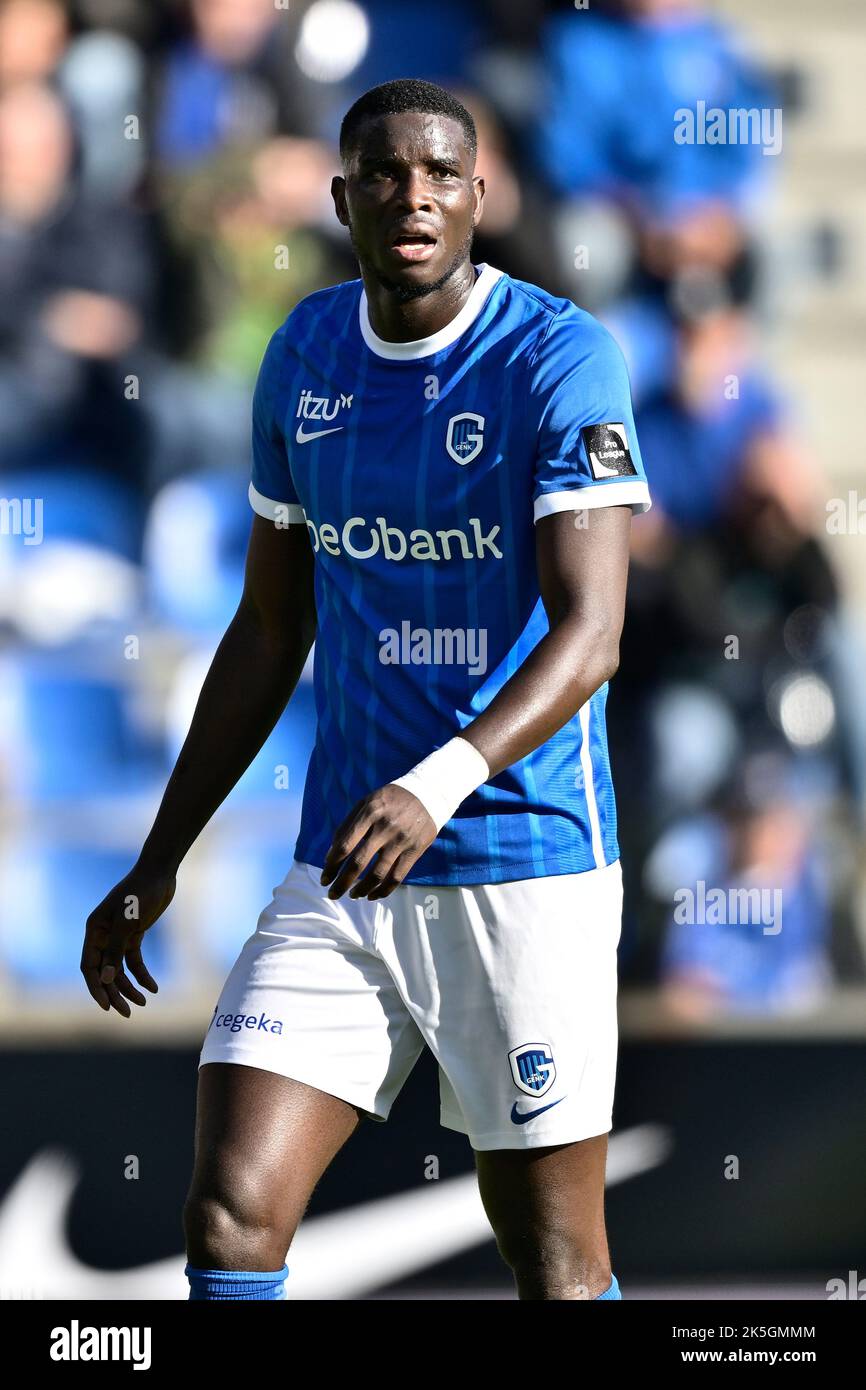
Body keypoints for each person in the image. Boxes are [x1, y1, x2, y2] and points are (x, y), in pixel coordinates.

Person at [81, 79, 650, 1302]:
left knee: (553, 1263)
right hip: (344, 863)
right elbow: (267, 629)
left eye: (441, 174)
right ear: (341, 199)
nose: (414, 195)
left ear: (478, 199)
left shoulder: (558, 357)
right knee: (232, 1213)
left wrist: (438, 783)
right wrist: (158, 856)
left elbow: (591, 631)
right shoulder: (306, 354)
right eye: (385, 174)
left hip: (522, 861)